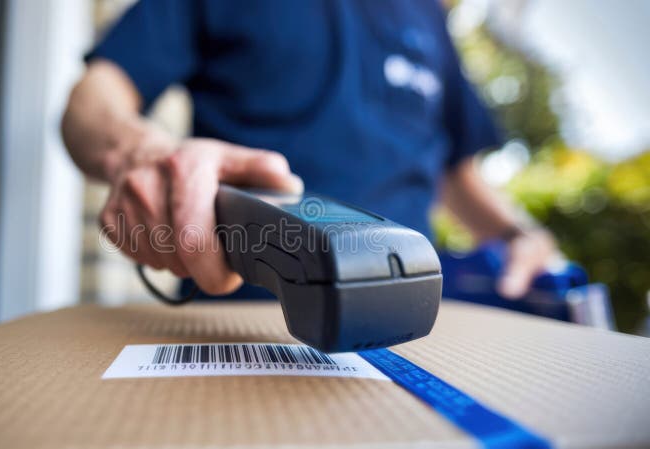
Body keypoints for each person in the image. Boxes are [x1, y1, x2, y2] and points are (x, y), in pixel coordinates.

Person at [62, 0, 558, 300]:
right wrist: (145, 156)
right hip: (239, 326)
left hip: (416, 329)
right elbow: (93, 101)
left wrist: (520, 236)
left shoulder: (426, 12)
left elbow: (457, 175)